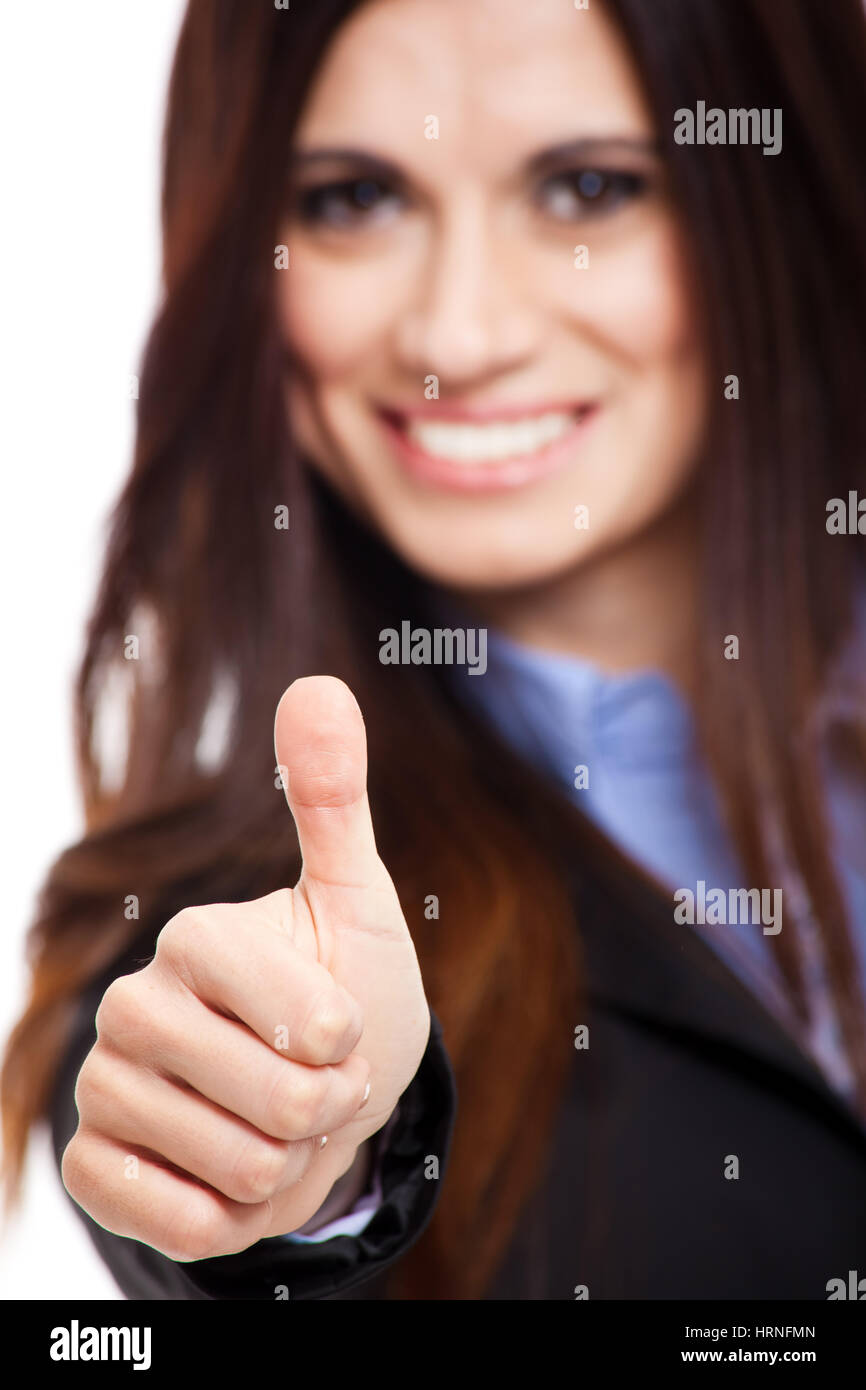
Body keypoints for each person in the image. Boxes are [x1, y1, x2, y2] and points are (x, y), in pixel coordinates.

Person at [3, 0, 866, 1301]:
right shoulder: (234, 927)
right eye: (354, 197)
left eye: (588, 188)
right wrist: (315, 1174)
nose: (456, 336)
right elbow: (232, 1173)